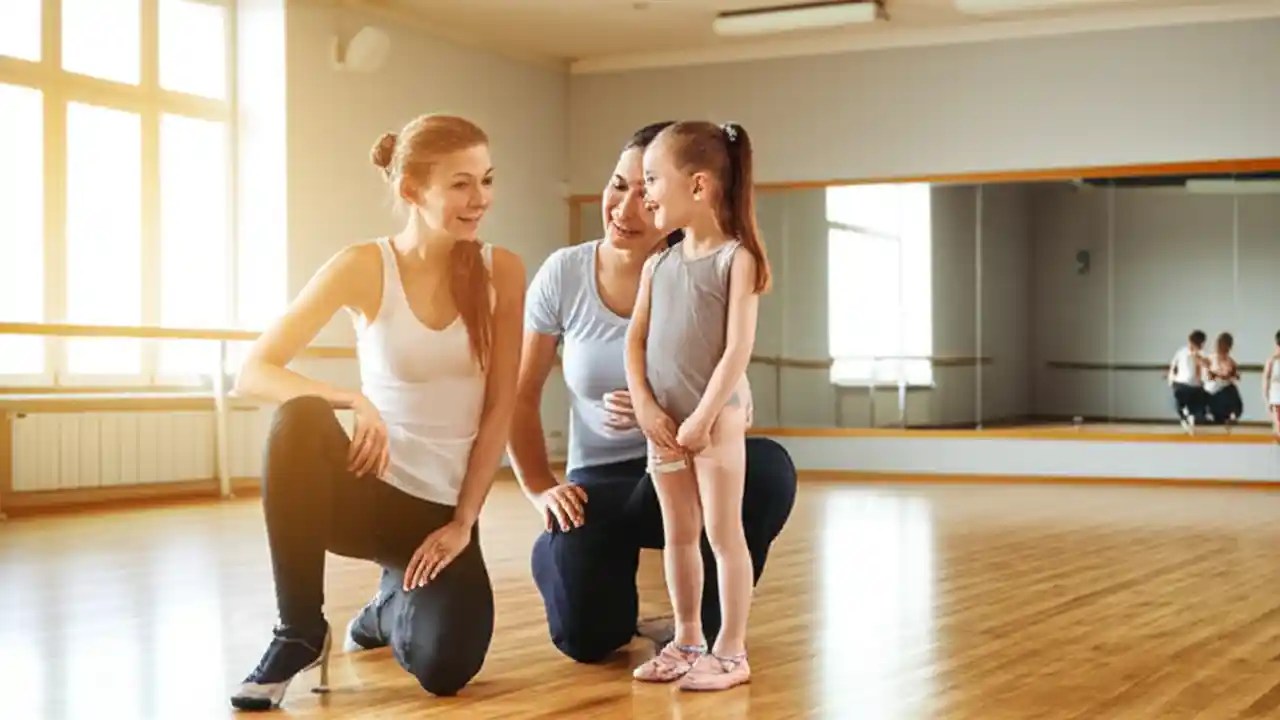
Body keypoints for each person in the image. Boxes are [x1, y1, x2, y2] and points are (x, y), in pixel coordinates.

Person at [229, 114, 525, 711]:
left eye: (486, 181)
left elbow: (500, 410)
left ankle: (389, 606)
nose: (480, 199)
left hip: (440, 517)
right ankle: (298, 630)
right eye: (461, 184)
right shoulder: (364, 265)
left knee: (446, 670)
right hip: (369, 488)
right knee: (301, 417)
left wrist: (463, 522)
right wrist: (352, 399)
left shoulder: (502, 271)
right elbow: (254, 370)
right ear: (412, 191)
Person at [508, 121, 797, 669]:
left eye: (646, 191)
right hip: (603, 483)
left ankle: (711, 625)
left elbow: (727, 357)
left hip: (682, 451)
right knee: (586, 638)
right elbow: (520, 397)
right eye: (619, 185)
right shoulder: (564, 274)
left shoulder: (709, 265)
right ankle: (564, 554)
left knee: (770, 469)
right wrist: (539, 488)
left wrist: (718, 399)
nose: (625, 207)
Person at [623, 120, 768, 691]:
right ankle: (686, 639)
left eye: (653, 180)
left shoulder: (737, 260)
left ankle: (731, 650)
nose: (645, 193)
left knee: (723, 535)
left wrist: (704, 418)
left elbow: (737, 348)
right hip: (663, 425)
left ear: (700, 186)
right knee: (678, 533)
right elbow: (635, 340)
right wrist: (646, 408)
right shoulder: (658, 263)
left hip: (715, 422)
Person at [1167, 329, 1208, 432]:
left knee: (1198, 410)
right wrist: (1171, 379)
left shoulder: (1202, 354)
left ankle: (1191, 418)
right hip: (1181, 384)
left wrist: (1197, 357)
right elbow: (1173, 366)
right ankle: (1185, 416)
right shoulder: (1181, 352)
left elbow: (1206, 366)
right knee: (1179, 402)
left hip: (1196, 386)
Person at [1204, 332, 1242, 425]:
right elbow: (1208, 376)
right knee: (1231, 390)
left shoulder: (1230, 361)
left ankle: (1231, 416)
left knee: (1232, 390)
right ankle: (1225, 416)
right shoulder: (1210, 359)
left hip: (1224, 391)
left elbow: (1236, 376)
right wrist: (1221, 376)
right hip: (1212, 392)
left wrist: (1230, 375)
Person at [1264, 331, 1280, 443]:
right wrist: (1266, 397)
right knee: (1277, 421)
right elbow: (1266, 380)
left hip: (1275, 395)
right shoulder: (1272, 360)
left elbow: (1266, 380)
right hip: (1276, 395)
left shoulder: (1272, 360)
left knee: (1278, 422)